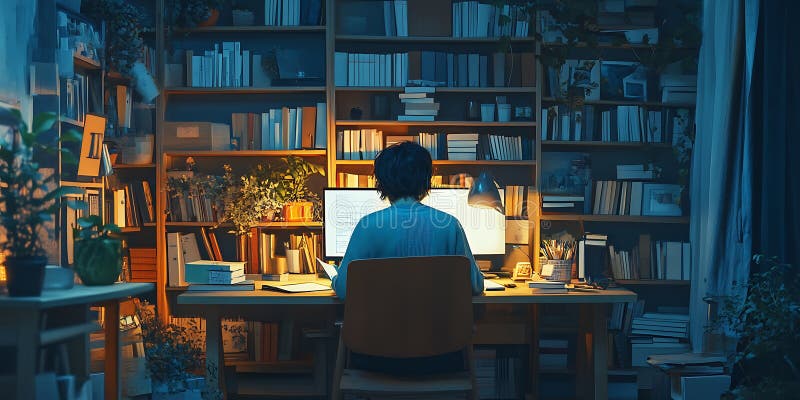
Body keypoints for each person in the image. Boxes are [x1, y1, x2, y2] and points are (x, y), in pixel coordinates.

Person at [330, 141, 484, 375]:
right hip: (441, 357)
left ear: (382, 183)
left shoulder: (368, 227)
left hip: (376, 358)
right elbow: (475, 285)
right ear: (426, 181)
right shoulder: (449, 226)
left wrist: (334, 277)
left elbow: (343, 290)